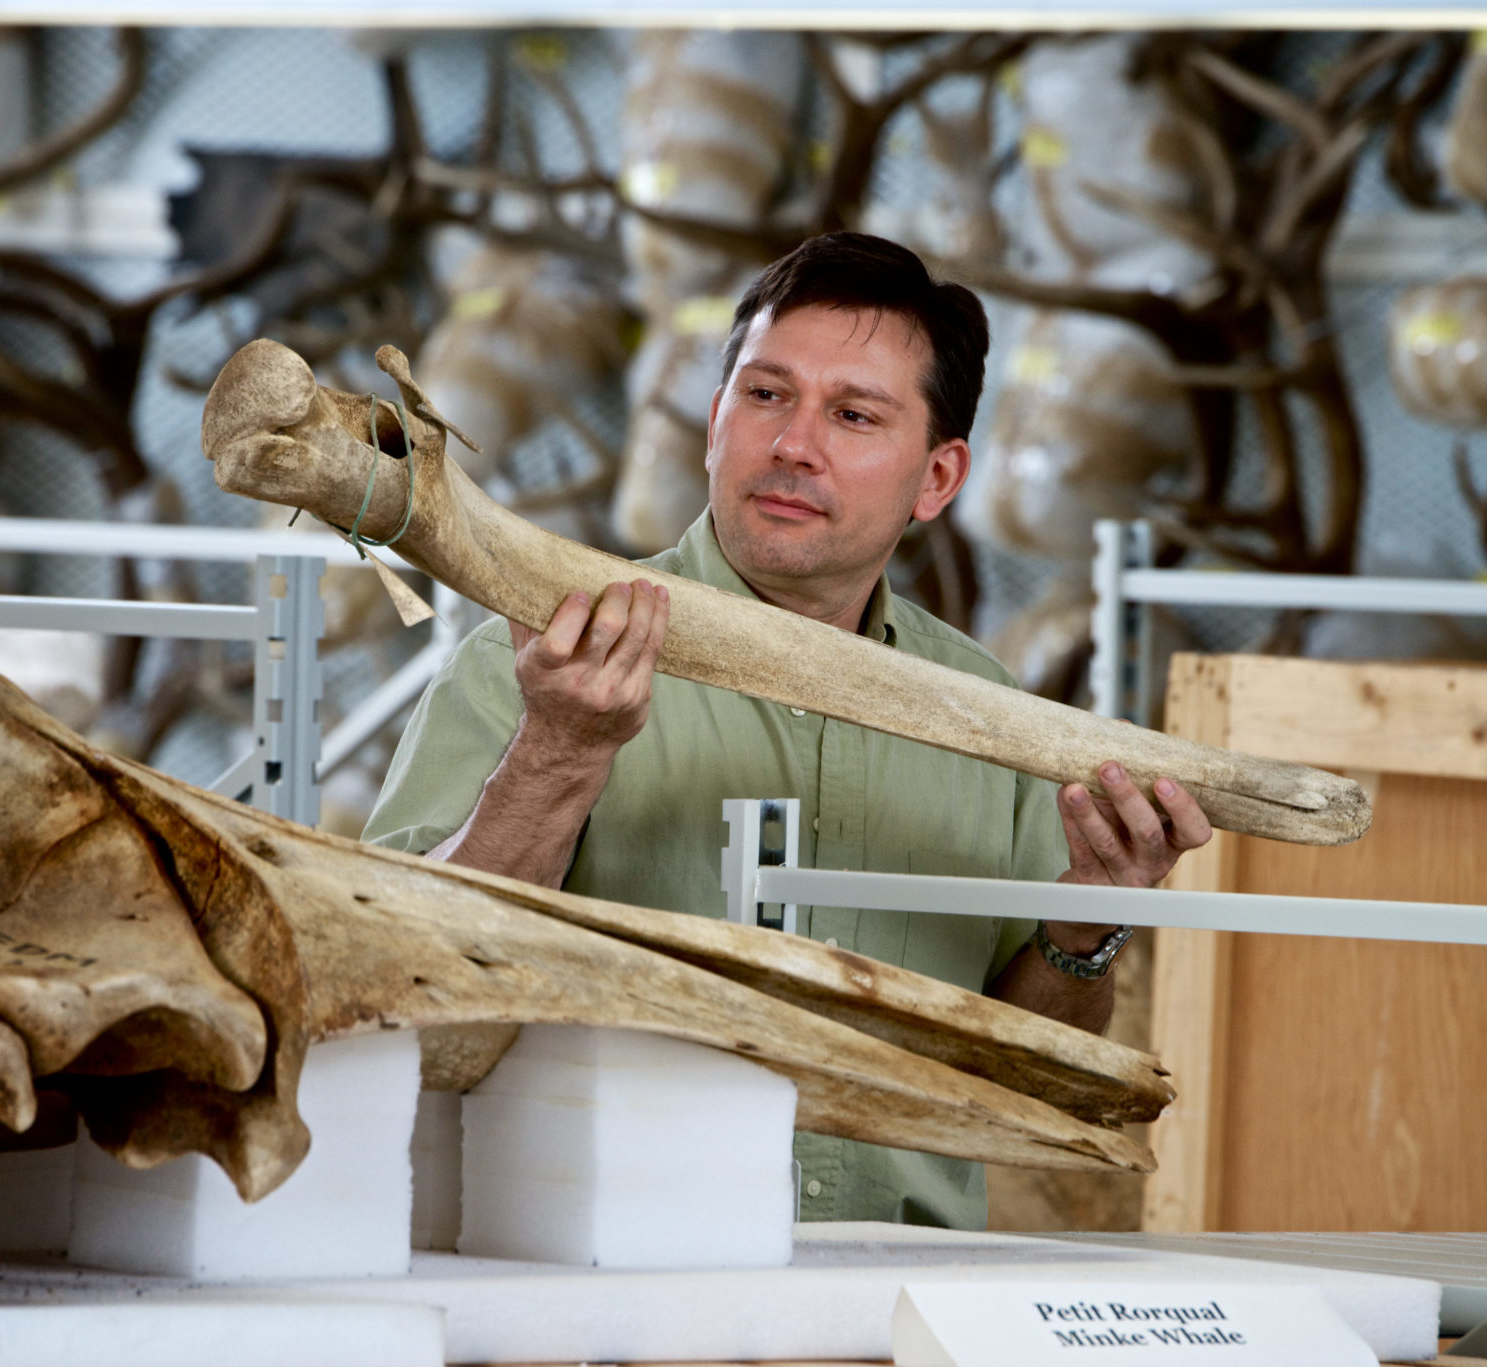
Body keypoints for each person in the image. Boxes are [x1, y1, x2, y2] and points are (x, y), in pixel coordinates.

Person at [364, 231, 1211, 1228]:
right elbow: (399, 989)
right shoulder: (540, 659)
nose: (792, 443)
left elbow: (1024, 1085)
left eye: (852, 414)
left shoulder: (993, 716)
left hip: (886, 1298)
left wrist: (1081, 928)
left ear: (935, 479)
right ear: (713, 419)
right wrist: (557, 750)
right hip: (591, 1294)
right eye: (764, 395)